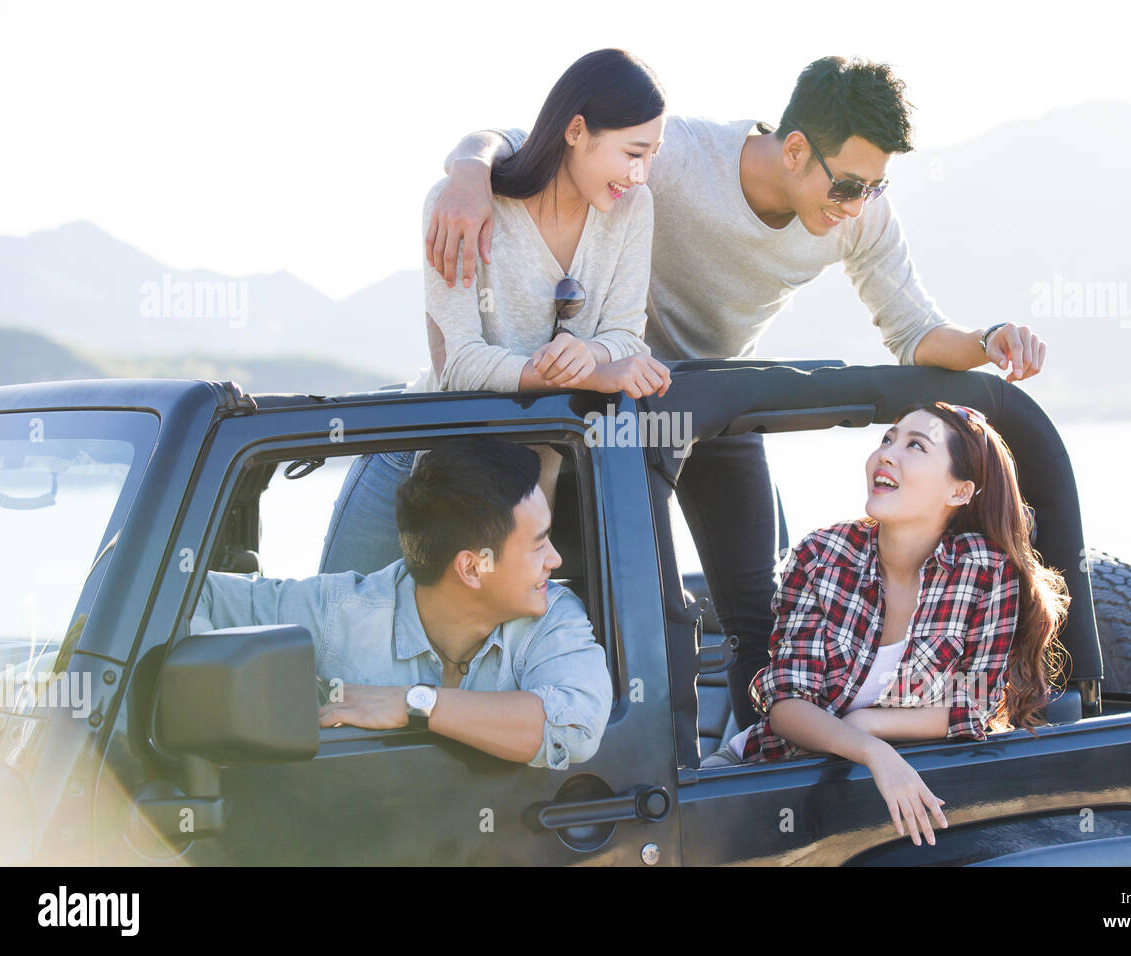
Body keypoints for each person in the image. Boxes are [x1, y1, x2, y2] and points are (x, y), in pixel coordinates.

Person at [426, 55, 1051, 749]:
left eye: (875, 187)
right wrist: (465, 174)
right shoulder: (672, 158)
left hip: (717, 400)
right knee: (637, 611)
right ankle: (659, 777)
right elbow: (530, 143)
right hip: (610, 405)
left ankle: (768, 770)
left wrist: (987, 339)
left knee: (759, 610)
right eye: (847, 185)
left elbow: (915, 333)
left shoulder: (861, 214)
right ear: (793, 149)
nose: (856, 206)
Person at [319, 48, 672, 578]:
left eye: (651, 155)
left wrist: (588, 354)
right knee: (339, 635)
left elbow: (626, 337)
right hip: (417, 460)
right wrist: (581, 372)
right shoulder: (458, 205)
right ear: (576, 130)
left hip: (523, 489)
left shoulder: (631, 209)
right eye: (633, 152)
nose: (641, 174)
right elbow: (458, 366)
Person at [701, 402, 1070, 850]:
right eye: (887, 439)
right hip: (768, 768)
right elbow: (784, 705)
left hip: (874, 792)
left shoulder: (986, 571)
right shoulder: (823, 554)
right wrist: (872, 752)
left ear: (959, 491)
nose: (887, 454)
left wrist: (870, 723)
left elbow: (974, 706)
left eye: (916, 445)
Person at [191, 438, 612, 770]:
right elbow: (190, 590)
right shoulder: (339, 612)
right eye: (539, 546)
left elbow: (575, 728)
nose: (556, 561)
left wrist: (413, 702)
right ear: (472, 568)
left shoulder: (551, 615)